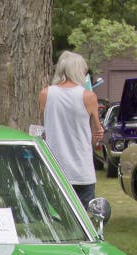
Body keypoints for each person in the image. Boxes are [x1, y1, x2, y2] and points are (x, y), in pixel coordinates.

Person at [39, 51, 104, 208]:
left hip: (54, 167)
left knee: (56, 214)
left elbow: (44, 127)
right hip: (82, 170)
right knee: (83, 216)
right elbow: (97, 134)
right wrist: (97, 134)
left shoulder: (45, 93)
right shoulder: (88, 96)